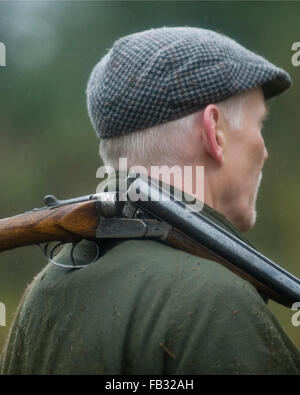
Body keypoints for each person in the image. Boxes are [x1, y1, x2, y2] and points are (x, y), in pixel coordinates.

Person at [1, 26, 300, 375]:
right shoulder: (216, 304)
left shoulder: (42, 294)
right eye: (258, 125)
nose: (264, 151)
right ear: (215, 131)